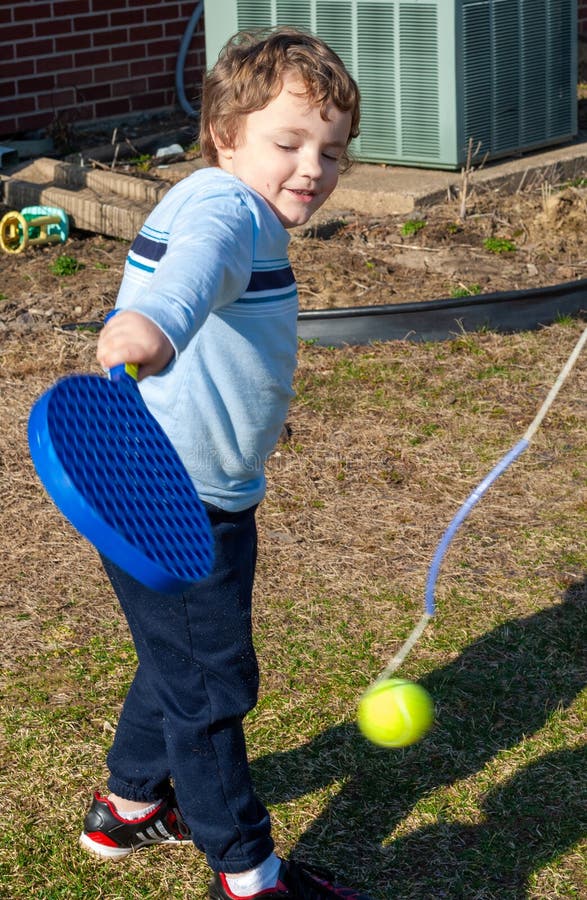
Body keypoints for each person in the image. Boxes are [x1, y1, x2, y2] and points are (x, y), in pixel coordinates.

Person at [81, 26, 369, 900]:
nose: (312, 167)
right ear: (224, 135)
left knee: (179, 658)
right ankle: (247, 872)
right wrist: (156, 327)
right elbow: (191, 277)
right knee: (212, 683)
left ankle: (129, 806)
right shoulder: (225, 209)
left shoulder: (234, 206)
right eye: (288, 142)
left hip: (184, 488)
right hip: (177, 502)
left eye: (331, 151)